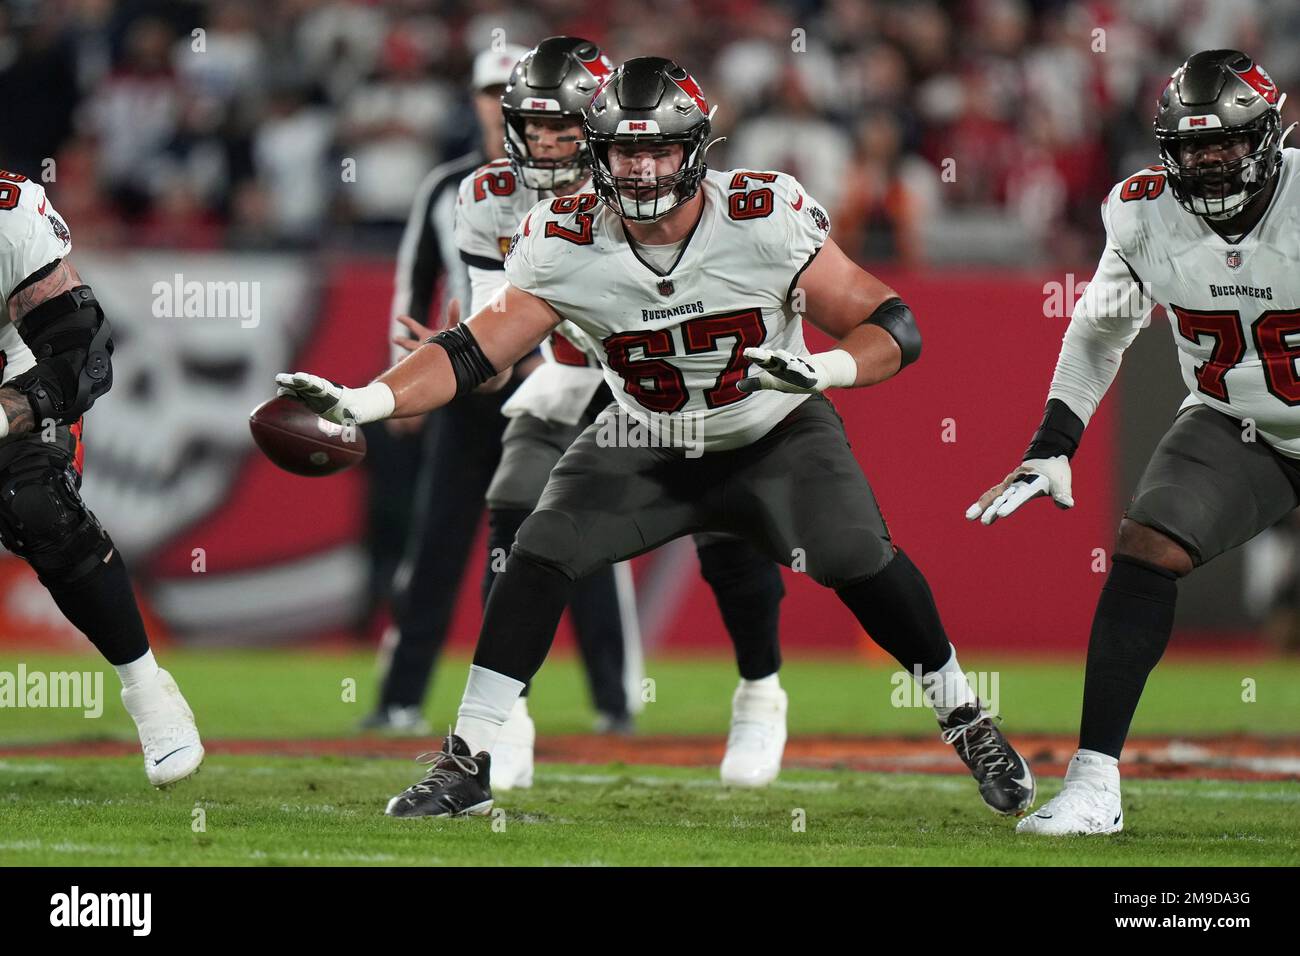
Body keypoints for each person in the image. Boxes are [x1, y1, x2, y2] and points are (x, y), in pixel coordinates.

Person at [277, 57, 1034, 820]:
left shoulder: (761, 213)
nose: (640, 168)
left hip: (772, 432)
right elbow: (475, 348)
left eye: (660, 149)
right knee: (540, 550)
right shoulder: (563, 236)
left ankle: (967, 719)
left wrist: (824, 368)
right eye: (622, 150)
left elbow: (894, 325)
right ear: (596, 154)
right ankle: (467, 760)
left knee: (855, 557)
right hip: (644, 437)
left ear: (695, 150)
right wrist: (365, 401)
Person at [392, 36, 791, 789]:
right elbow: (496, 336)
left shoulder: (647, 182)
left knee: (726, 528)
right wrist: (469, 364)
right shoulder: (486, 197)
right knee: (515, 503)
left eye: (564, 130)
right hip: (568, 374)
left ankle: (759, 689)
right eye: (532, 128)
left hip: (671, 373)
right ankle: (505, 719)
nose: (544, 145)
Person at [968, 50, 1296, 835]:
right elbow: (1099, 332)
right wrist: (1054, 441)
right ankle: (1094, 785)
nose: (1208, 160)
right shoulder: (1142, 210)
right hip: (1236, 419)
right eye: (1190, 145)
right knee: (1147, 545)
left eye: (1226, 142)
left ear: (1269, 137)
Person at [0, 166, 201, 786]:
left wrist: (8, 411)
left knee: (34, 505)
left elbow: (82, 352)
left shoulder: (9, 214)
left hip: (11, 383)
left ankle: (148, 693)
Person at [358, 45, 529, 738]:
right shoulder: (450, 186)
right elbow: (413, 285)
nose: (498, 106)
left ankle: (609, 702)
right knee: (436, 544)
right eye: (489, 92)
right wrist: (400, 381)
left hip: (551, 383)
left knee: (566, 546)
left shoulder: (579, 185)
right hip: (464, 380)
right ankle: (401, 698)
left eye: (509, 94)